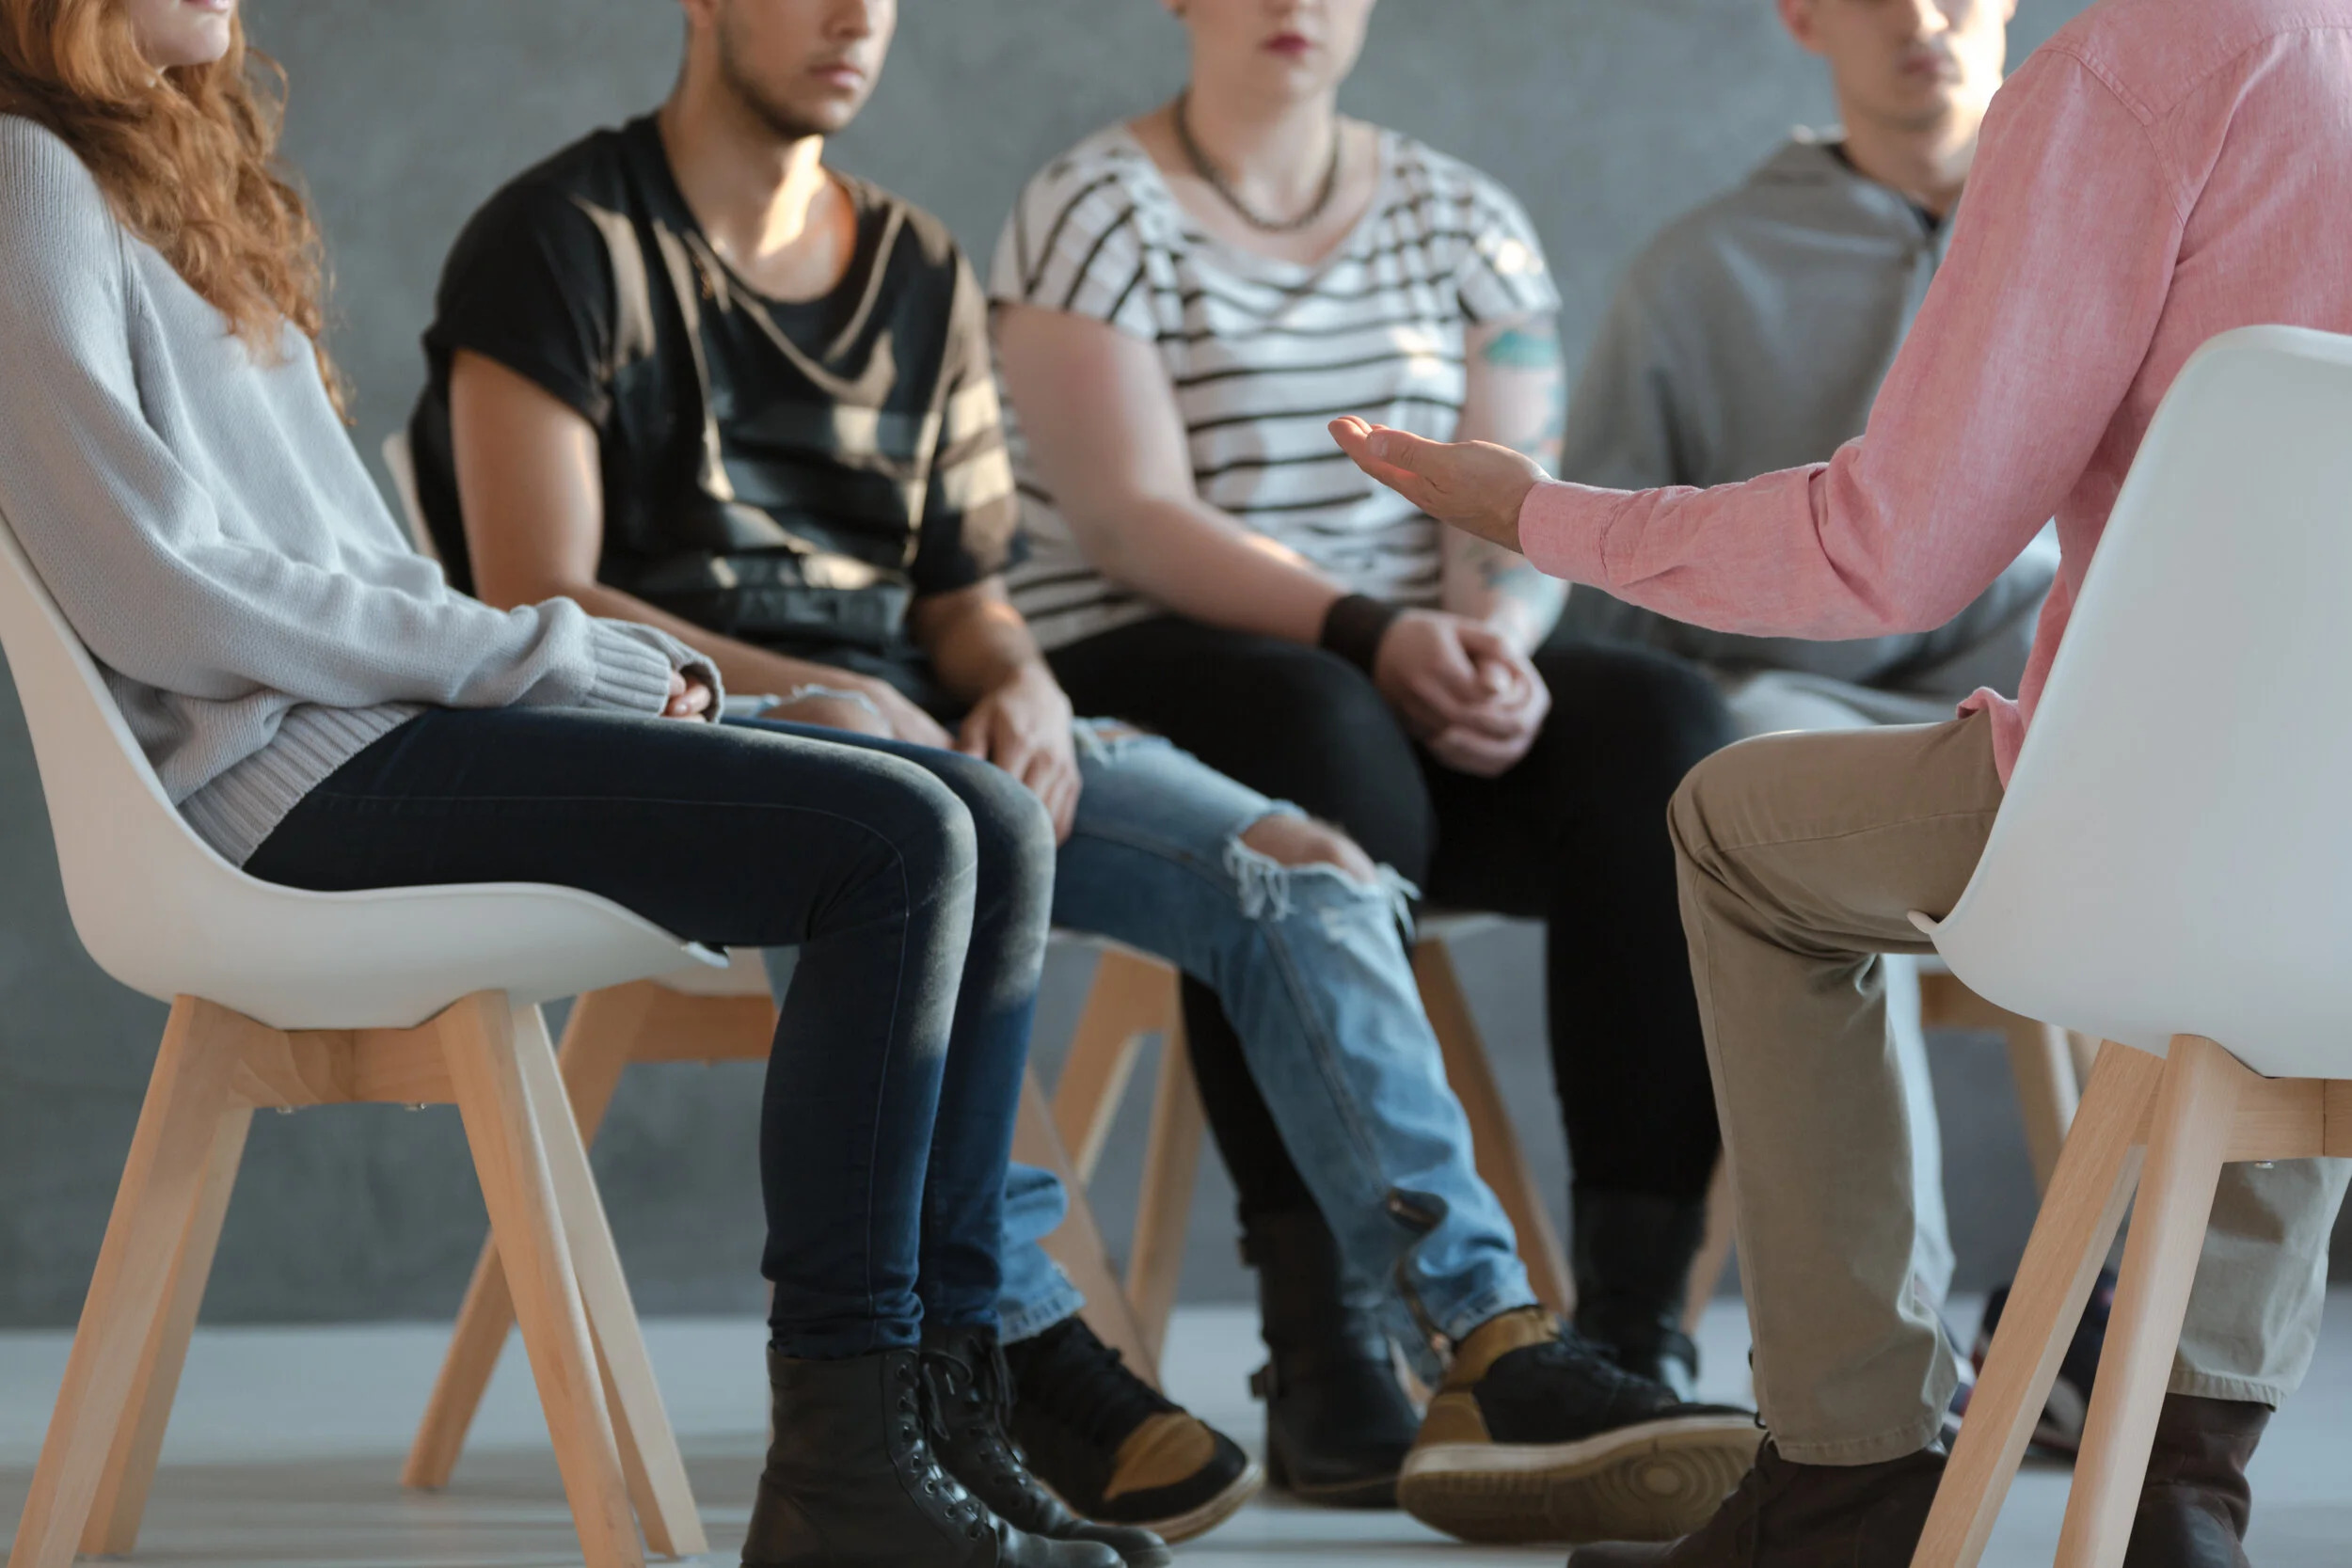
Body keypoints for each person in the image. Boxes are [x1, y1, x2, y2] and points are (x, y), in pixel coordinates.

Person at [408, 0, 1757, 1550]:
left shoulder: (912, 260)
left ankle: (1486, 1343)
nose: (854, 19)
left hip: (920, 729)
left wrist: (1022, 683)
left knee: (1301, 866)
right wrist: (821, 691)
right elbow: (538, 590)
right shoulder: (559, 240)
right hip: (677, 731)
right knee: (894, 803)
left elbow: (965, 593)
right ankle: (1014, 1334)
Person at [0, 5, 1132, 1567]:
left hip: (376, 735)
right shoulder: (28, 174)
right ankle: (846, 1457)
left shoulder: (174, 169)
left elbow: (360, 568)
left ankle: (945, 1413)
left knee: (987, 817)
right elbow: (162, 591)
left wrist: (636, 687)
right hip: (281, 783)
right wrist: (556, 658)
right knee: (898, 842)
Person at [1329, 0, 2352, 1560]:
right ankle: (2185, 1495)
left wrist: (1541, 516)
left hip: (2139, 811)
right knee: (2295, 909)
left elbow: (1896, 553)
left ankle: (1851, 1471)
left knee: (1734, 827)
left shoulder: (2132, 76)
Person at [988, 0, 1743, 1476]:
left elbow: (1509, 502)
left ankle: (1631, 1328)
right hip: (1157, 667)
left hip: (1407, 678)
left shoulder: (1464, 219)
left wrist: (1496, 640)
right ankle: (1327, 1341)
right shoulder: (1091, 211)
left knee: (1663, 726)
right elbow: (1131, 517)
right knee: (1315, 729)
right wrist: (1367, 634)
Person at [1551, 0, 2080, 1429]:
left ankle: (2096, 1312)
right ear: (1801, 17)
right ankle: (1845, 1382)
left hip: (2058, 696)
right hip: (1792, 697)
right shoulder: (1699, 270)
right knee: (1751, 790)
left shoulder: (2099, 221)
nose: (1921, 20)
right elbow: (1605, 602)